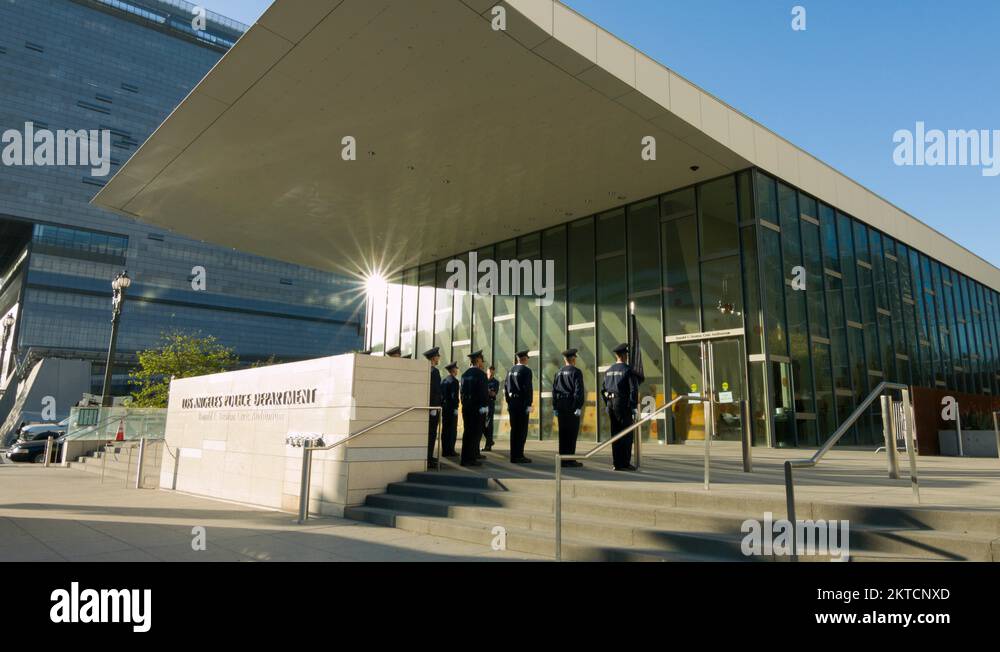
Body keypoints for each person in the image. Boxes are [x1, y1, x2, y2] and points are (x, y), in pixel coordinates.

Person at [602, 343, 640, 471]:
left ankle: (616, 462)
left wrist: (607, 403)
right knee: (626, 434)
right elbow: (633, 390)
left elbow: (603, 390)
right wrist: (633, 406)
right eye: (626, 354)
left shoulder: (608, 370)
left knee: (615, 434)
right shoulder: (627, 370)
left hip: (611, 404)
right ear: (624, 355)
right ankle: (624, 463)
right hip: (623, 405)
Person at [552, 348, 585, 468]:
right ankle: (569, 459)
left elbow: (554, 391)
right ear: (573, 359)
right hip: (571, 404)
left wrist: (555, 406)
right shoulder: (576, 372)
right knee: (571, 433)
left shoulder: (558, 372)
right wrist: (578, 406)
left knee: (563, 433)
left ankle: (562, 458)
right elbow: (578, 391)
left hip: (560, 404)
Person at [459, 350, 489, 467]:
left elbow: (462, 393)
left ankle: (465, 458)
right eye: (482, 360)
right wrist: (484, 406)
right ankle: (470, 459)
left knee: (467, 433)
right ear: (478, 361)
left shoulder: (464, 374)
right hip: (477, 409)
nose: (483, 363)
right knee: (475, 434)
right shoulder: (481, 374)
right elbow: (483, 393)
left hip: (467, 408)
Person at [504, 350, 533, 464]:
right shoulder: (526, 370)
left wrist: (508, 402)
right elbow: (527, 389)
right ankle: (519, 455)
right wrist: (528, 405)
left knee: (514, 430)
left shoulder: (510, 370)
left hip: (512, 403)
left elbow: (505, 388)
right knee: (521, 431)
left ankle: (513, 455)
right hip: (521, 404)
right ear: (525, 359)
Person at [424, 347, 443, 468]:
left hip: (429, 406)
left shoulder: (426, 370)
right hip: (433, 407)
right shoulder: (434, 372)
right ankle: (429, 458)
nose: (439, 357)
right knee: (431, 434)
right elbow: (435, 391)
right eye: (437, 356)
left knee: (430, 434)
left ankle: (429, 456)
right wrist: (434, 407)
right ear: (433, 358)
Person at [440, 362, 460, 457]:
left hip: (445, 408)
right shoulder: (454, 381)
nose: (457, 370)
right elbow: (454, 396)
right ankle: (450, 450)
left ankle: (445, 450)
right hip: (452, 408)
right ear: (453, 370)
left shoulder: (444, 380)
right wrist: (456, 407)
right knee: (452, 430)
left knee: (445, 430)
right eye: (456, 368)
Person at [483, 365, 500, 452]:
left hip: (490, 404)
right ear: (487, 371)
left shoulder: (496, 382)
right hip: (482, 404)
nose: (491, 374)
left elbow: (493, 394)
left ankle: (488, 446)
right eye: (490, 371)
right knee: (481, 425)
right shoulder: (483, 380)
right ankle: (490, 441)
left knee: (489, 425)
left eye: (493, 372)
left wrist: (484, 390)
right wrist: (488, 391)